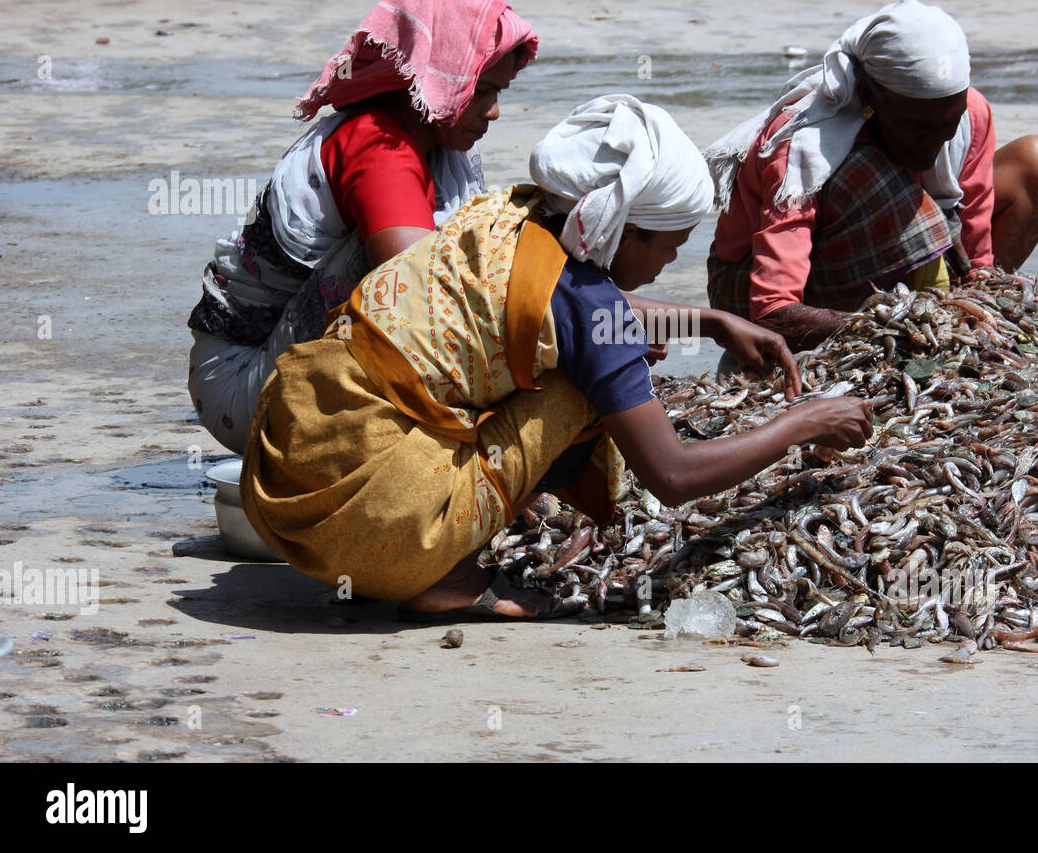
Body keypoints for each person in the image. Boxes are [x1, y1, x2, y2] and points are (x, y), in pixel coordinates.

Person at [239, 95, 874, 622]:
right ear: (623, 228)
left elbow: (569, 306)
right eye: (670, 246)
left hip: (287, 476)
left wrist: (708, 321)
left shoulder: (511, 215)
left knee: (584, 354)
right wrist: (807, 423)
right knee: (579, 388)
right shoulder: (593, 313)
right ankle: (444, 577)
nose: (671, 262)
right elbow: (673, 476)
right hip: (362, 516)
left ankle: (420, 550)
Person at [187, 0, 538, 453]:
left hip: (281, 362)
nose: (494, 111)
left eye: (499, 92)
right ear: (438, 77)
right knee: (432, 277)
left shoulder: (431, 145)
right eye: (481, 92)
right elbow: (428, 287)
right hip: (244, 382)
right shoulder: (380, 146)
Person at [706, 0, 1038, 352]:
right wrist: (893, 327)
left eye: (949, 121)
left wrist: (979, 309)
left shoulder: (970, 114)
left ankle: (933, 310)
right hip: (752, 295)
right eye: (918, 126)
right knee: (879, 179)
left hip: (883, 267)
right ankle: (913, 322)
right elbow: (772, 309)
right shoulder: (804, 145)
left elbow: (976, 253)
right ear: (868, 98)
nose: (937, 140)